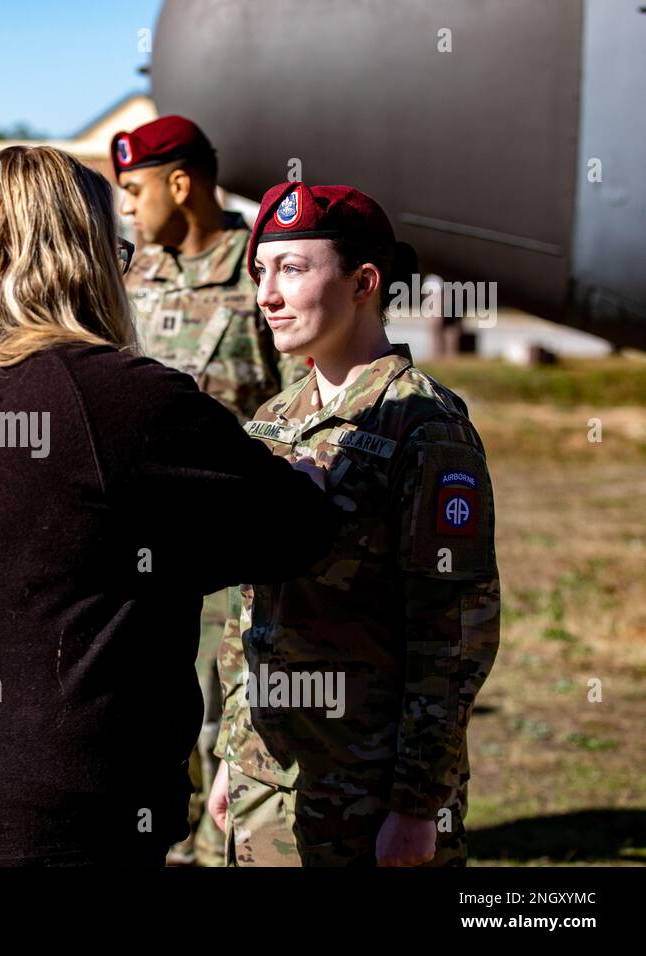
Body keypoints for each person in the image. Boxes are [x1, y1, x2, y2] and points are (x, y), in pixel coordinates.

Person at [0, 146, 339, 867]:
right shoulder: (124, 398)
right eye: (118, 246)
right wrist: (308, 472)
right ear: (89, 256)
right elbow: (296, 532)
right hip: (60, 815)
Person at [209, 182, 501, 866]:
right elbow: (246, 610)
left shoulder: (425, 429)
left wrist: (416, 805)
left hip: (367, 788)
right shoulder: (273, 422)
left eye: (293, 269)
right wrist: (234, 748)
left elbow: (455, 633)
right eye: (260, 273)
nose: (266, 295)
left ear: (364, 282)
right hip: (269, 778)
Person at [112, 114, 309, 865]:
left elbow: (299, 404)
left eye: (134, 191)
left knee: (227, 724)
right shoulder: (133, 277)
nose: (128, 208)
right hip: (142, 553)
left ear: (181, 183)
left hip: (230, 551)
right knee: (146, 721)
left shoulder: (262, 270)